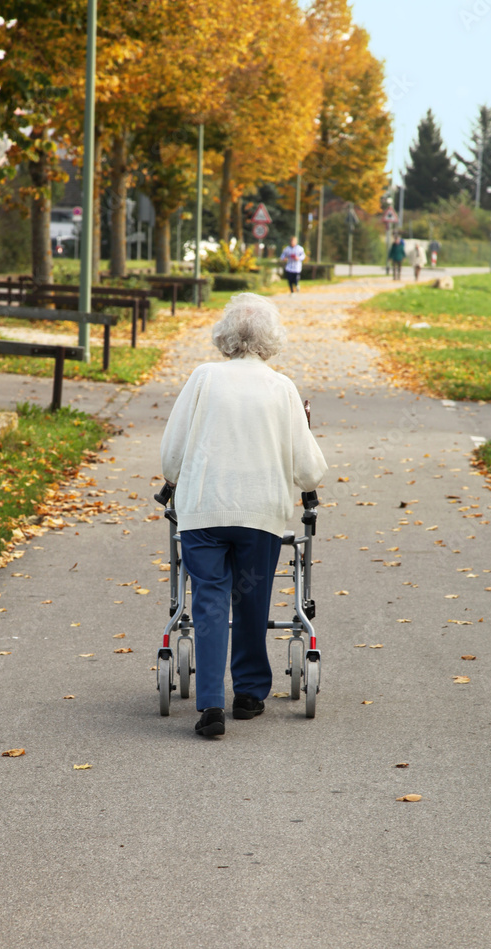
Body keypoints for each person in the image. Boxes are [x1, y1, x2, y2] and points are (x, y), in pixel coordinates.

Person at [160, 293, 327, 739]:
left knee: (209, 600)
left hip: (204, 511)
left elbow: (172, 453)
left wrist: (173, 478)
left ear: (224, 335)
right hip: (260, 512)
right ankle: (250, 694)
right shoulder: (282, 387)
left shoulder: (203, 378)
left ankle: (210, 704)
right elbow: (308, 468)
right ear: (270, 338)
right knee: (250, 598)